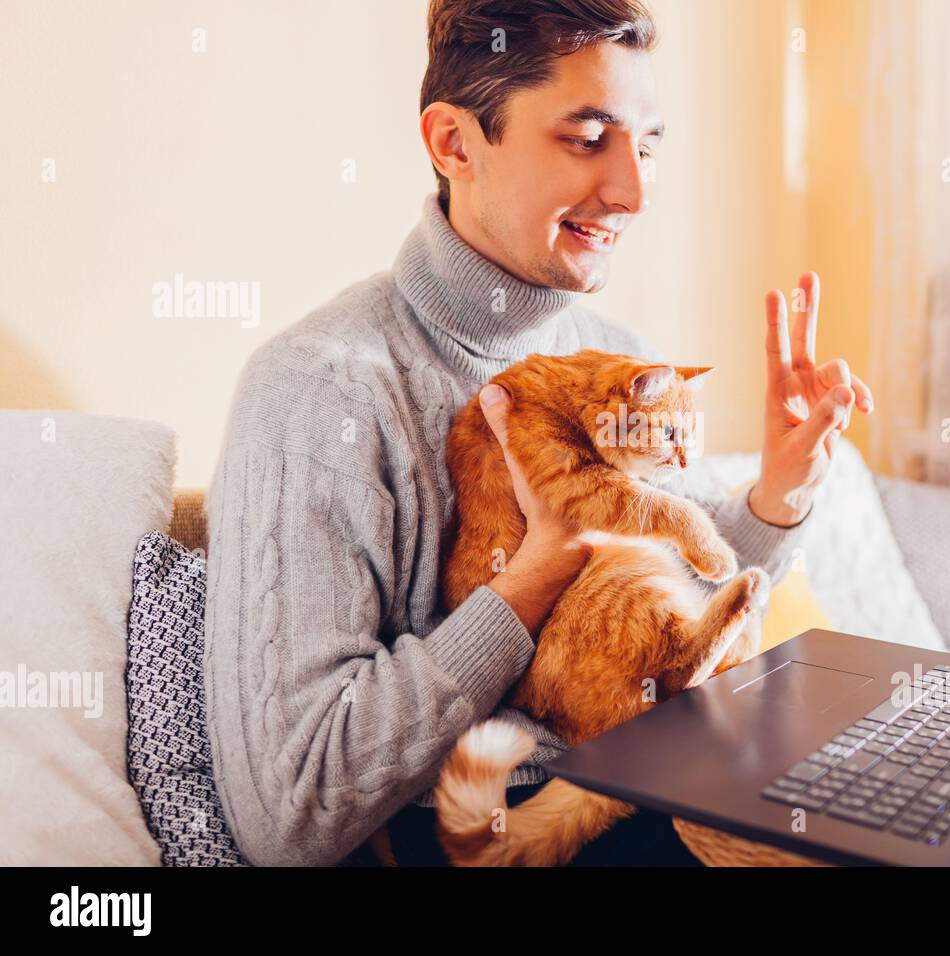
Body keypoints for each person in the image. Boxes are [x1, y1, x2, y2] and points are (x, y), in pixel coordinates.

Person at [204, 0, 871, 868]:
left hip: (661, 769)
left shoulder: (623, 360)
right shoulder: (319, 390)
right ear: (454, 145)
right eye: (587, 138)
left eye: (648, 145)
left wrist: (781, 492)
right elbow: (288, 812)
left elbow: (668, 613)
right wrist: (531, 577)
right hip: (500, 827)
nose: (633, 191)